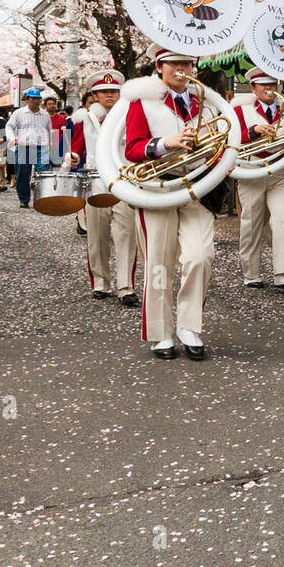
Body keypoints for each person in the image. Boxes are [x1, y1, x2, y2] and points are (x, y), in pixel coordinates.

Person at [121, 47, 228, 360]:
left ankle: (189, 325)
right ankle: (161, 331)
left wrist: (221, 160)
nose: (181, 69)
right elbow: (132, 148)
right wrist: (164, 143)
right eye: (174, 64)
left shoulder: (205, 102)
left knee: (201, 256)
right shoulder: (143, 100)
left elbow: (220, 141)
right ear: (159, 66)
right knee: (159, 263)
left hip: (196, 187)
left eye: (186, 63)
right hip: (158, 187)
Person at [69, 71, 140, 306]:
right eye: (104, 92)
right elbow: (76, 148)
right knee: (96, 237)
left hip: (125, 182)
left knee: (126, 235)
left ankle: (126, 287)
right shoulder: (85, 119)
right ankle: (100, 283)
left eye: (114, 91)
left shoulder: (132, 115)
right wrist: (72, 157)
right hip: (95, 183)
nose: (110, 95)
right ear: (95, 95)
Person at [232, 68, 284, 293]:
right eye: (263, 85)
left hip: (279, 171)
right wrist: (253, 131)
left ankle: (282, 274)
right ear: (253, 88)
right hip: (251, 170)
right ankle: (251, 274)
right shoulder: (240, 109)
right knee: (251, 222)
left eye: (272, 84)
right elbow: (230, 137)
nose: (270, 88)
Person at [5, 88, 53, 208]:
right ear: (27, 99)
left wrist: (53, 147)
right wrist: (12, 139)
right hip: (23, 147)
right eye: (34, 98)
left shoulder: (45, 115)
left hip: (41, 147)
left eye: (38, 99)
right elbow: (9, 127)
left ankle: (40, 198)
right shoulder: (19, 113)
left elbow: (49, 131)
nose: (36, 101)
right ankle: (24, 199)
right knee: (22, 174)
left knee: (43, 173)